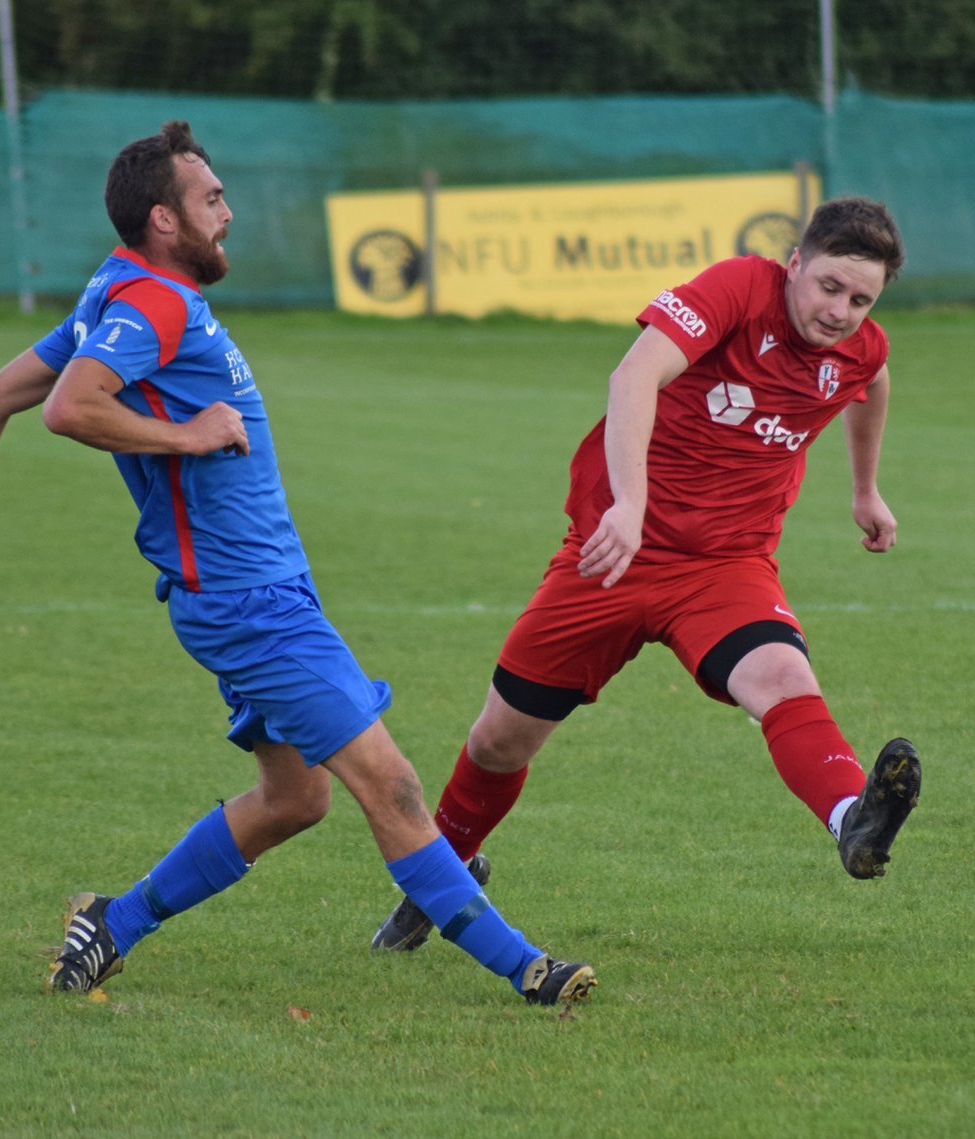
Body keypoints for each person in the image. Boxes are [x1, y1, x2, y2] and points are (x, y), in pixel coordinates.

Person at [0, 120, 594, 1007]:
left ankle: (113, 921)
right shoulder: (151, 303)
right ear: (163, 219)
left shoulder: (119, 289)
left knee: (295, 800)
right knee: (394, 784)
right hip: (249, 605)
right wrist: (185, 433)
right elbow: (67, 408)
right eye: (212, 199)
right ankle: (529, 970)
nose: (230, 212)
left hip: (254, 593)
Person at [372, 197, 920, 952]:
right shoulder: (736, 290)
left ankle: (852, 816)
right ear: (795, 264)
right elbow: (635, 375)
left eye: (861, 299)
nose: (841, 311)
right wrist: (630, 503)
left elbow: (874, 377)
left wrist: (865, 488)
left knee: (783, 681)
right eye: (829, 286)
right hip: (613, 554)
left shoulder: (859, 347)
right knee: (500, 741)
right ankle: (442, 876)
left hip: (727, 566)